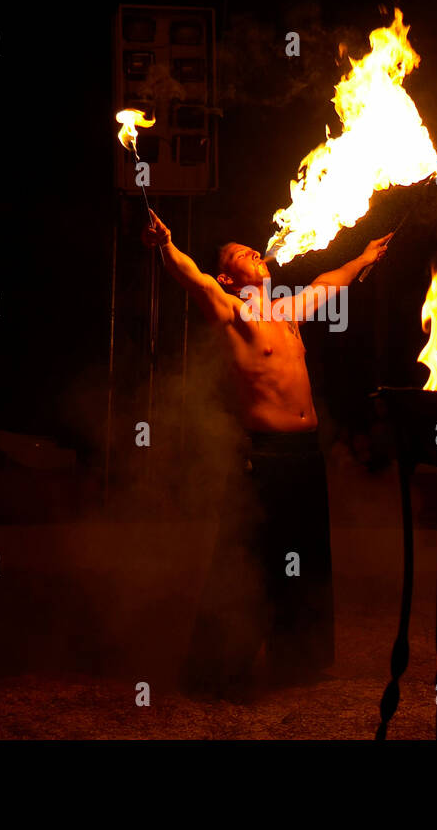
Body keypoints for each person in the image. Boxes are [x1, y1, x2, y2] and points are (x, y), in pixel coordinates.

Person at [141, 207, 391, 699]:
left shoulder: (288, 312)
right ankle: (217, 669)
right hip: (267, 456)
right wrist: (167, 245)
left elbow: (330, 281)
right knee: (252, 556)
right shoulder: (231, 311)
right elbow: (192, 278)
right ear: (227, 278)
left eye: (253, 249)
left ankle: (297, 661)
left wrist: (364, 257)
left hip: (305, 454)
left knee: (307, 556)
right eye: (241, 255)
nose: (255, 252)